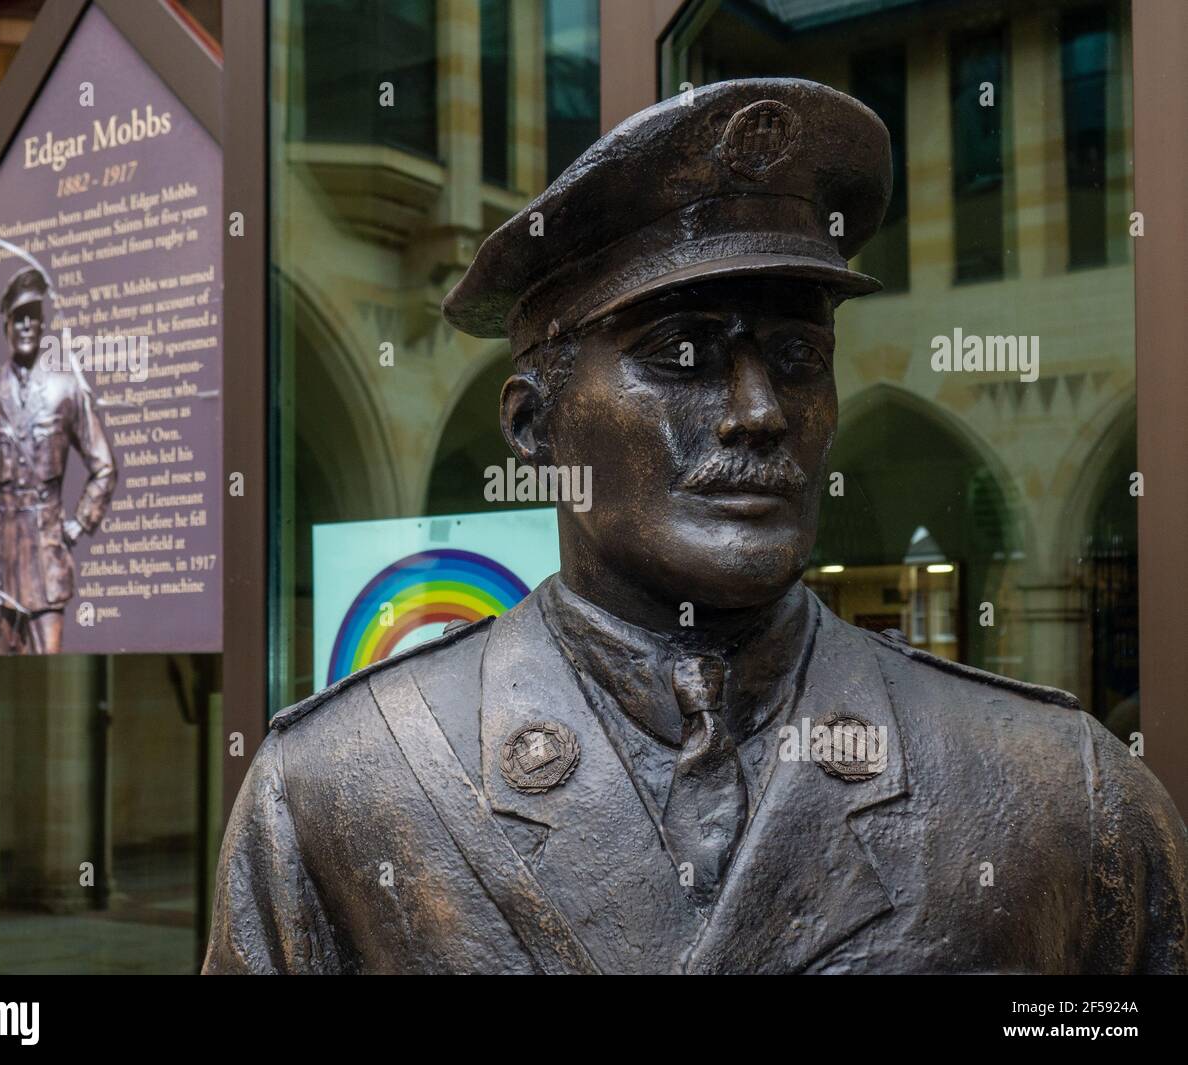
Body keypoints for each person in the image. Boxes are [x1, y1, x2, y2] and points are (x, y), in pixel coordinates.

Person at [204, 79, 1188, 974]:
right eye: (679, 354)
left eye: (798, 357)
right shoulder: (338, 796)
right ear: (532, 423)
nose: (758, 412)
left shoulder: (1063, 796)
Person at [0, 266, 116, 654]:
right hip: (5, 569)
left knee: (51, 663)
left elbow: (104, 467)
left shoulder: (64, 390)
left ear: (42, 324)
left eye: (33, 317)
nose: (25, 326)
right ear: (6, 323)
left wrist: (80, 523)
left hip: (47, 564)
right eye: (18, 318)